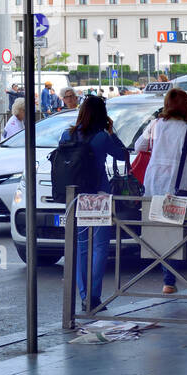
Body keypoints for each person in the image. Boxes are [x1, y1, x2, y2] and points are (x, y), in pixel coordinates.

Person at [134, 88, 187, 294]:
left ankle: (168, 280)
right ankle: (183, 280)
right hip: (179, 188)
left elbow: (138, 146)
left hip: (154, 185)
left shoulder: (156, 125)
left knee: (162, 231)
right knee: (181, 232)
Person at [59, 95, 129, 312]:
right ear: (102, 114)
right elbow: (122, 154)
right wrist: (110, 131)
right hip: (98, 195)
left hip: (76, 195)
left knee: (81, 246)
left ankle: (83, 295)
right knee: (99, 246)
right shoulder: (102, 137)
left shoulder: (66, 134)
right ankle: (94, 296)